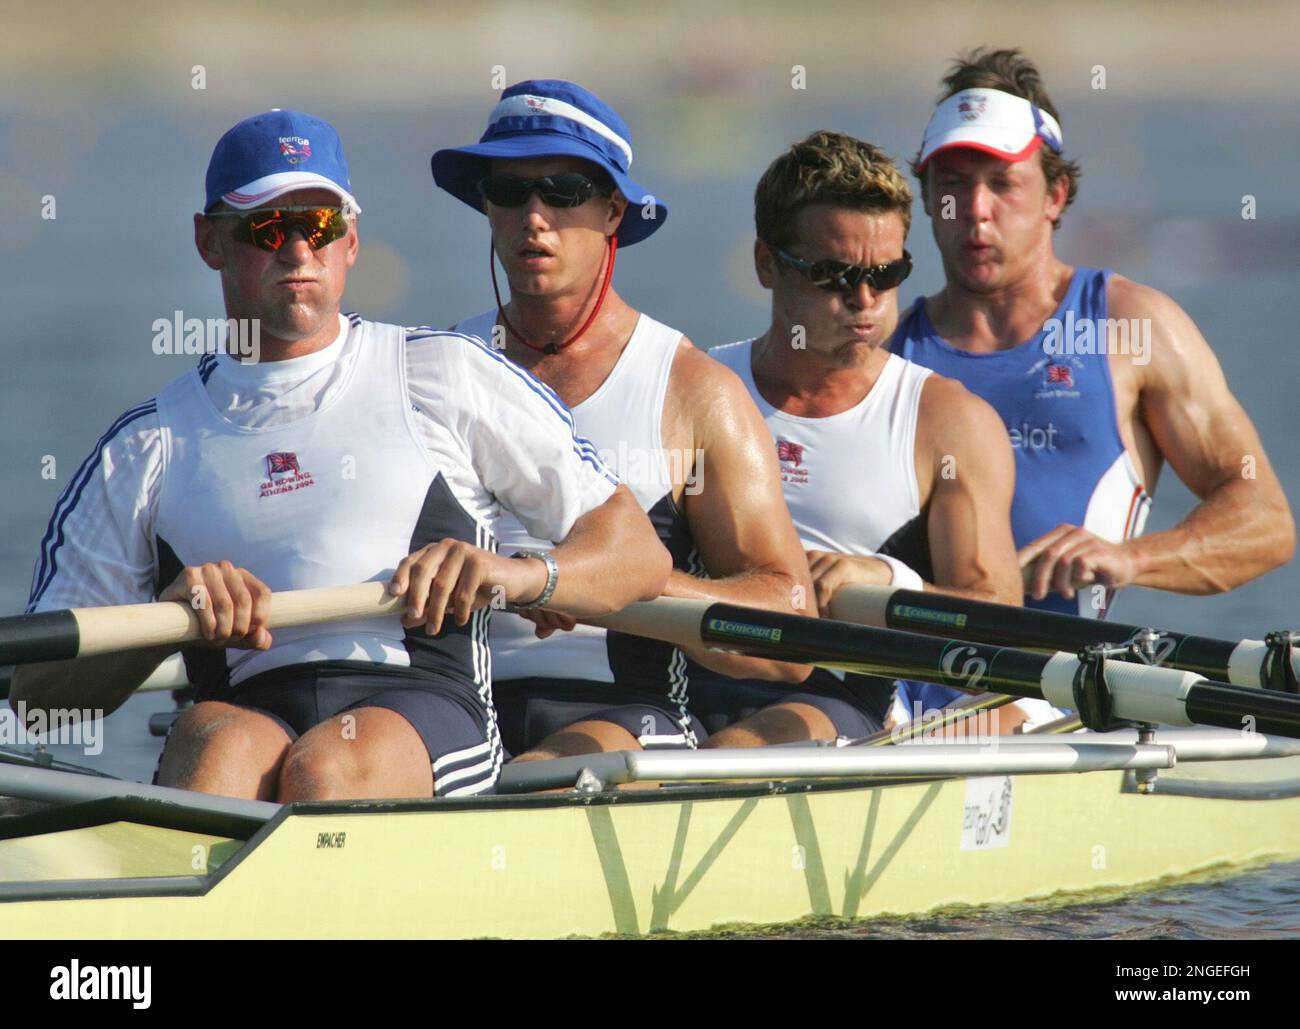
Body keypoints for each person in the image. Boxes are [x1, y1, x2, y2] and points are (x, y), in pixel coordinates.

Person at [11, 110, 670, 802]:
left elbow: (638, 555)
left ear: (350, 241)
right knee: (221, 748)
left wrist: (516, 573)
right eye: (269, 227)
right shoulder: (144, 447)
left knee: (326, 768)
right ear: (210, 241)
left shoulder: (441, 374)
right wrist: (167, 619)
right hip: (242, 712)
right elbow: (37, 697)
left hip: (421, 706)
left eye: (319, 227)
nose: (299, 251)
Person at [432, 79, 812, 761]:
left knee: (541, 774)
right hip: (445, 707)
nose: (534, 216)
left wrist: (592, 579)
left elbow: (791, 634)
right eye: (510, 192)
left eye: (563, 190)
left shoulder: (694, 391)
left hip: (619, 718)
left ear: (613, 211)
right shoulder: (436, 368)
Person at [893, 47, 1295, 620]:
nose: (976, 209)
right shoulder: (884, 351)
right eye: (953, 184)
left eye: (1003, 183)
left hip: (1051, 693)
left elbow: (1265, 521)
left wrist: (1130, 559)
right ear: (929, 197)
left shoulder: (1131, 328)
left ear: (1054, 196)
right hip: (906, 691)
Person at [702, 130, 1037, 745]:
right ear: (766, 264)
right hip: (681, 672)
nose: (864, 300)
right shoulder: (696, 385)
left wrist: (886, 578)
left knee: (730, 753)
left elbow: (995, 622)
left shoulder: (946, 421)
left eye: (887, 274)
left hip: (839, 695)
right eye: (834, 275)